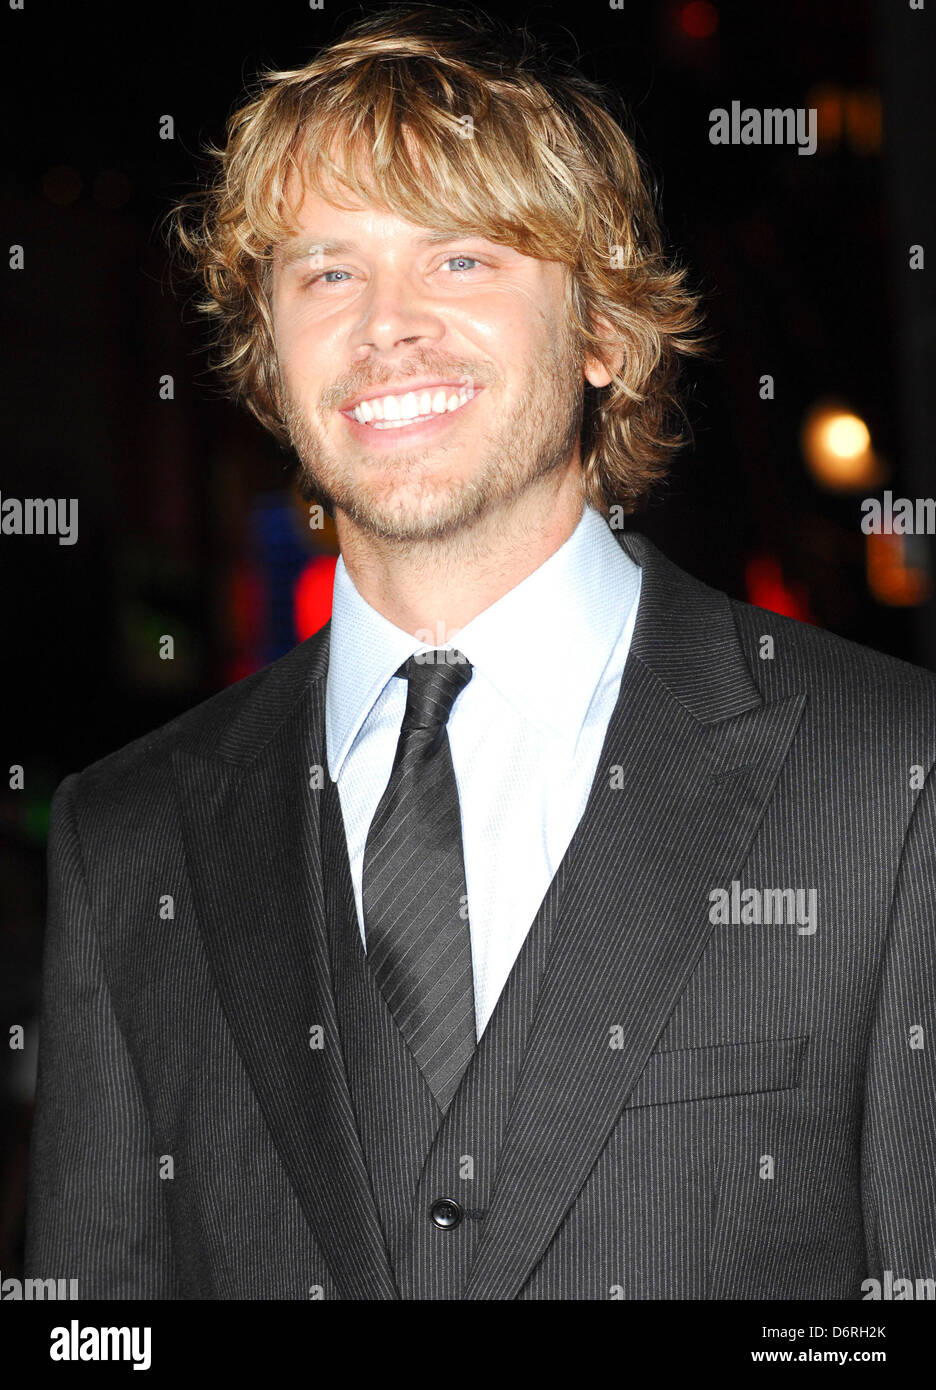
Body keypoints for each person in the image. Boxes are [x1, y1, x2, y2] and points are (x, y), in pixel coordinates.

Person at [25, 5, 936, 1300]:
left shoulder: (895, 781)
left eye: (461, 259)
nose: (386, 323)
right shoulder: (128, 836)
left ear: (606, 335)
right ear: (271, 363)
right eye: (327, 270)